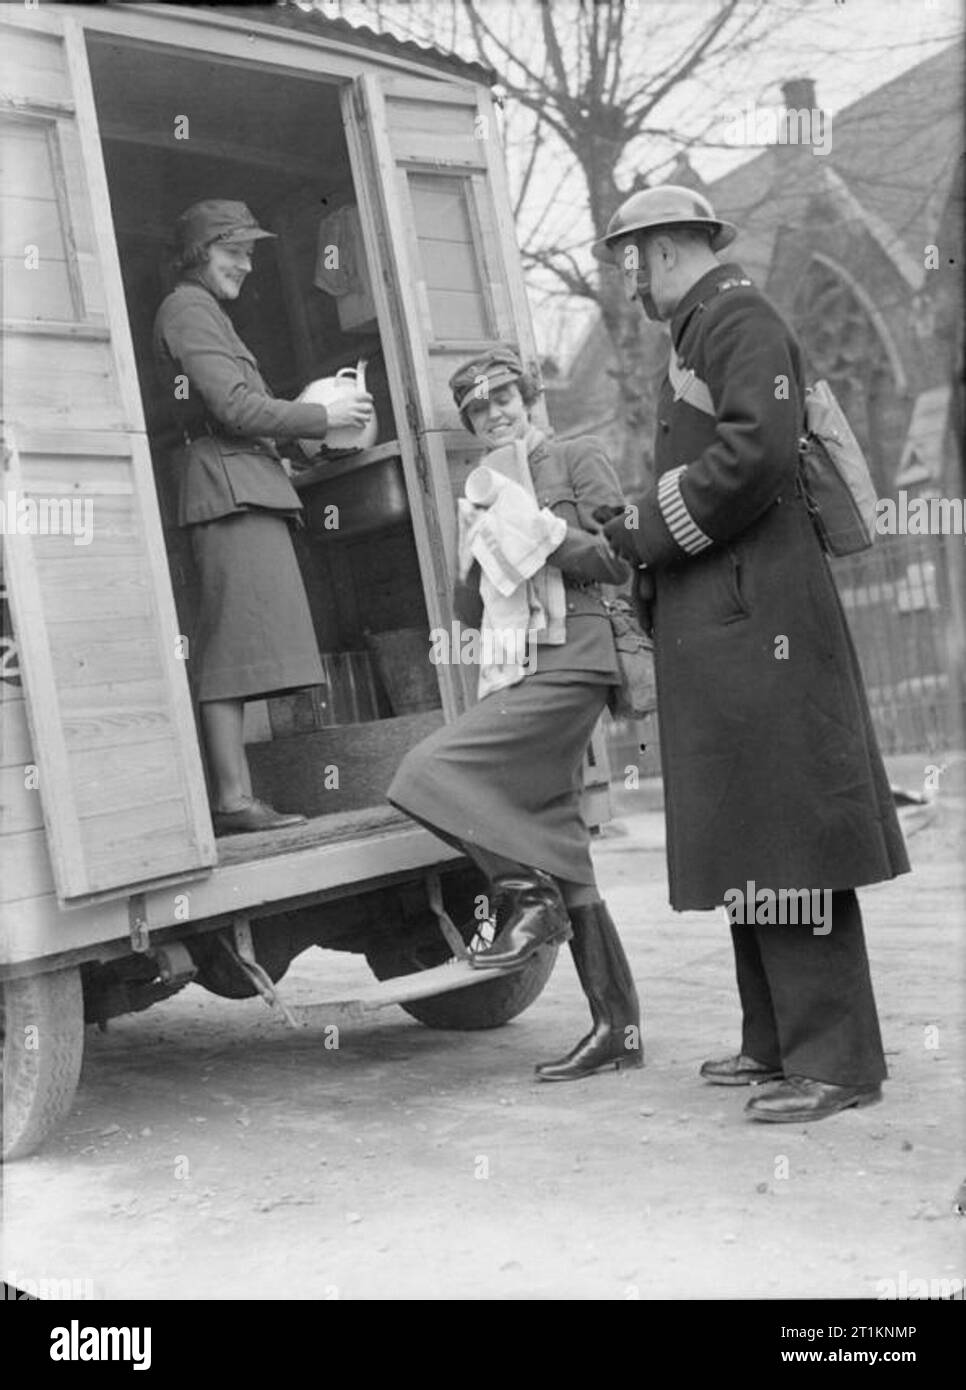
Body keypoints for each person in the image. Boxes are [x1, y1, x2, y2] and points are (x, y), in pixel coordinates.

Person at [593, 185, 910, 1122]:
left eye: (630, 262)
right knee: (752, 829)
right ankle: (776, 1042)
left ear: (658, 253)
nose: (629, 281)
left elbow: (757, 451)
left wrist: (646, 528)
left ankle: (838, 1063)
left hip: (760, 617)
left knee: (789, 832)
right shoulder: (705, 331)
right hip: (734, 619)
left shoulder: (738, 317)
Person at [387, 348, 643, 1081]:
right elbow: (470, 613)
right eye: (479, 408)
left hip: (579, 657)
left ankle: (526, 899)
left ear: (528, 397)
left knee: (426, 770)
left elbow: (623, 560)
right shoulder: (485, 491)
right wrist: (477, 552)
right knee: (562, 842)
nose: (495, 412)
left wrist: (545, 535)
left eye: (505, 397)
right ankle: (616, 1031)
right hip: (520, 662)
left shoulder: (575, 456)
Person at [153, 199, 373, 834]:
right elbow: (235, 407)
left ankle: (236, 796)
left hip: (241, 481)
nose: (247, 265)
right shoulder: (188, 308)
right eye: (235, 251)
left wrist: (287, 452)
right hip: (224, 488)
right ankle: (231, 801)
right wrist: (319, 418)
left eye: (250, 253)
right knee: (229, 647)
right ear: (200, 253)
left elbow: (242, 415)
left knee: (240, 645)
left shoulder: (206, 311)